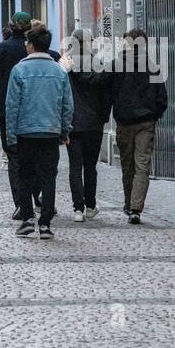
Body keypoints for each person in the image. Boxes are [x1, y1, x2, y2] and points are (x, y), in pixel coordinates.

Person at [5, 24, 73, 240]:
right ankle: (45, 224)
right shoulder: (59, 71)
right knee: (48, 177)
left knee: (25, 176)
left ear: (31, 46)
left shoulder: (18, 70)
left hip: (25, 132)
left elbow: (12, 106)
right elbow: (67, 105)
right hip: (50, 132)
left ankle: (27, 220)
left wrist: (10, 136)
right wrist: (64, 130)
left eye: (27, 43)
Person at [110, 28, 167, 224]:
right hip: (146, 123)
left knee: (128, 166)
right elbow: (162, 99)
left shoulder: (116, 66)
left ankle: (129, 204)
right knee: (142, 166)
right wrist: (153, 116)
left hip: (124, 123)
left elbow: (106, 92)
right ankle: (135, 208)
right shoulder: (153, 66)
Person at [60, 28, 112, 223]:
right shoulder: (97, 64)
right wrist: (104, 116)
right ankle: (90, 205)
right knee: (90, 166)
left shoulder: (66, 65)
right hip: (94, 123)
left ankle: (78, 209)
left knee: (75, 166)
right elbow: (105, 94)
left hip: (72, 122)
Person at [0, 11, 31, 217]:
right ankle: (35, 197)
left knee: (14, 157)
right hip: (33, 110)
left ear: (10, 27)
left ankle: (21, 203)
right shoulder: (33, 49)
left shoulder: (1, 49)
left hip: (6, 109)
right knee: (35, 157)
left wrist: (2, 88)